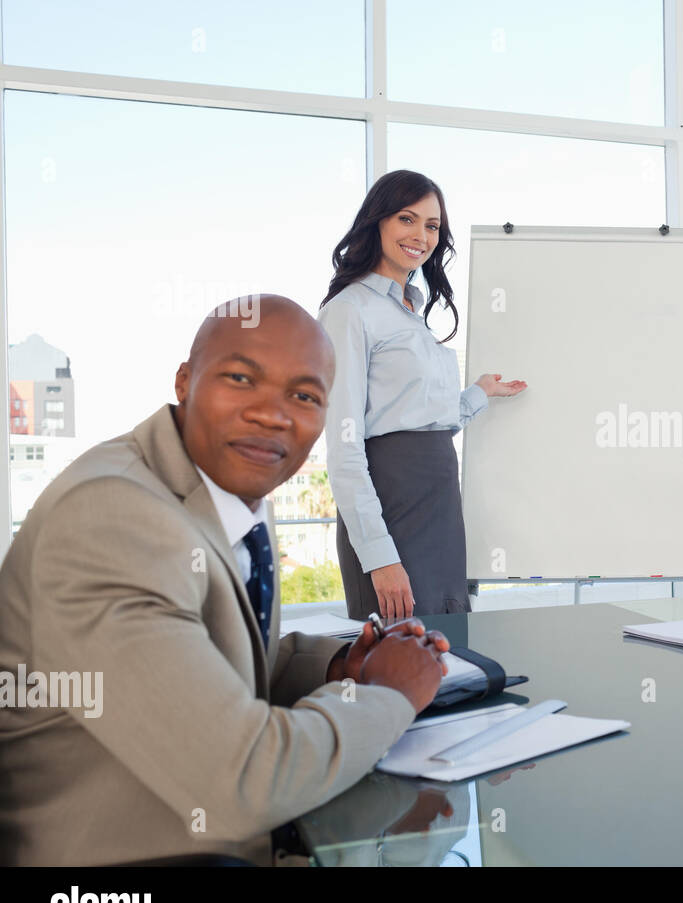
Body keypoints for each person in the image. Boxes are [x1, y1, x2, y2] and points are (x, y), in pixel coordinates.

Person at [0, 296, 448, 865]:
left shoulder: (219, 481)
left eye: (304, 396)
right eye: (241, 378)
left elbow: (210, 649)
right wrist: (388, 696)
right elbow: (242, 779)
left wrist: (338, 668)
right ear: (185, 381)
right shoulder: (113, 517)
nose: (272, 413)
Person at [319, 169, 526, 621]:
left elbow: (422, 416)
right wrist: (379, 556)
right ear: (377, 222)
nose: (421, 235)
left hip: (439, 503)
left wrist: (478, 394)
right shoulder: (349, 311)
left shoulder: (412, 308)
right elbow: (344, 448)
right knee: (399, 665)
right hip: (392, 506)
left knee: (448, 655)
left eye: (432, 226)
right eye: (407, 219)